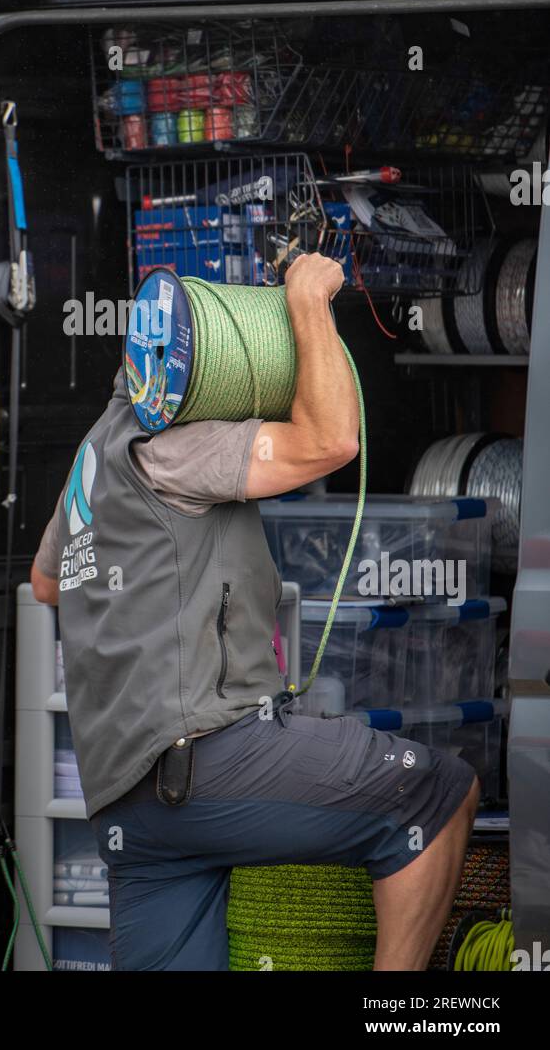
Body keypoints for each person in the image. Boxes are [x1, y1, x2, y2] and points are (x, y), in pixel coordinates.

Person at [30, 253, 479, 971]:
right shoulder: (177, 448)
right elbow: (333, 441)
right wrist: (305, 299)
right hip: (208, 761)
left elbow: (48, 582)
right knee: (435, 794)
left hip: (125, 802)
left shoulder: (97, 453)